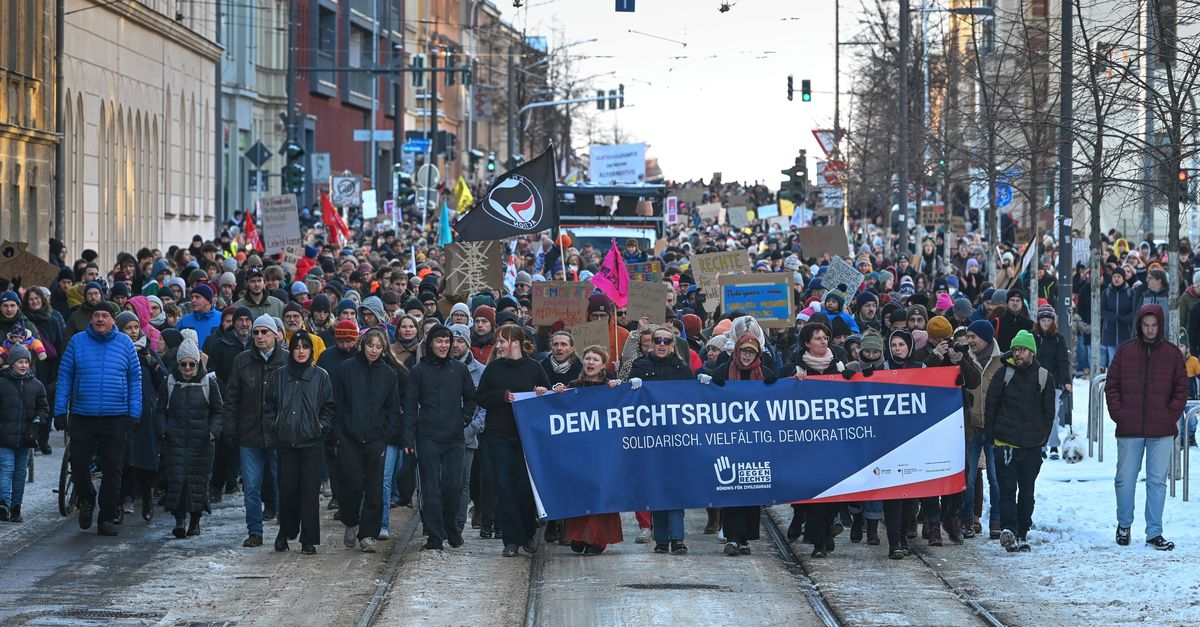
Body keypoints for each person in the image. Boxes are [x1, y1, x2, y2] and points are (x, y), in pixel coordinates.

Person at [55, 300, 141, 536]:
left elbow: (135, 379)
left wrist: (134, 412)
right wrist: (60, 410)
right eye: (96, 315)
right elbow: (65, 377)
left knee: (113, 469)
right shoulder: (77, 342)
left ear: (113, 319)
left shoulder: (125, 344)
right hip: (83, 415)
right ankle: (87, 498)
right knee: (79, 464)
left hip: (116, 416)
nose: (100, 319)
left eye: (105, 315)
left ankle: (106, 517)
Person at [1105, 304, 1187, 551]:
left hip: (1161, 429)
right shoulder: (1125, 351)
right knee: (1125, 479)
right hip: (1129, 427)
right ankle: (1124, 525)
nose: (1150, 329)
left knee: (1157, 481)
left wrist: (1170, 414)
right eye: (1146, 324)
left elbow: (1181, 388)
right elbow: (1112, 385)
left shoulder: (1172, 354)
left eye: (1154, 324)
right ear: (1139, 325)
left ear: (1160, 325)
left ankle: (1154, 531)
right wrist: (1119, 414)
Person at [475, 325, 547, 557]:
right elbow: (481, 397)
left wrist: (540, 392)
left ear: (515, 343)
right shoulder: (494, 369)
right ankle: (511, 539)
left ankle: (528, 533)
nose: (498, 346)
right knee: (504, 487)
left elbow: (547, 396)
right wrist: (502, 396)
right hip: (498, 437)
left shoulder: (534, 368)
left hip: (526, 439)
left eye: (502, 342)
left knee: (524, 487)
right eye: (497, 342)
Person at [404, 324, 477, 551]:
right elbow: (409, 407)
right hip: (427, 437)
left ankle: (451, 527)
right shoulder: (418, 371)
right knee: (430, 488)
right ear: (430, 344)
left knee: (453, 486)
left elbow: (471, 398)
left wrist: (464, 418)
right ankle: (435, 535)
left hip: (454, 437)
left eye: (447, 341)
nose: (444, 345)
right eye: (439, 341)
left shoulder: (459, 370)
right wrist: (408, 438)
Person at [984, 329, 1056, 552]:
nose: (1018, 353)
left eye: (1022, 349)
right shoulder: (1003, 374)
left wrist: (1040, 438)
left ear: (1031, 352)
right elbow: (991, 405)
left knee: (1027, 493)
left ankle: (1022, 531)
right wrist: (992, 435)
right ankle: (1009, 530)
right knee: (1006, 491)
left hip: (1031, 446)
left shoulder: (1044, 377)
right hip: (1005, 444)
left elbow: (1049, 413)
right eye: (1015, 349)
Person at [264, 330, 335, 555]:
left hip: (312, 442)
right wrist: (275, 424)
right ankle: (285, 532)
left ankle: (309, 539)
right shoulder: (280, 375)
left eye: (305, 347)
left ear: (311, 350)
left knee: (309, 491)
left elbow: (329, 407)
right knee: (287, 490)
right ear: (291, 350)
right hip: (286, 441)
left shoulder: (320, 376)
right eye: (297, 347)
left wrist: (320, 426)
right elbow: (269, 405)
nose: (301, 351)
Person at [333, 328, 403, 553]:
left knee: (375, 488)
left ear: (383, 350)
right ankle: (351, 521)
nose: (374, 350)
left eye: (378, 347)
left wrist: (386, 435)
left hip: (376, 438)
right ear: (362, 345)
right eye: (370, 345)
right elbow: (337, 404)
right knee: (350, 485)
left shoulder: (389, 374)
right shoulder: (346, 369)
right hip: (350, 437)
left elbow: (393, 408)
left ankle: (368, 534)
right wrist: (339, 434)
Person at [628, 325, 695, 556]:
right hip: (649, 439)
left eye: (667, 341)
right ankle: (661, 539)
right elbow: (627, 400)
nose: (662, 345)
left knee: (675, 487)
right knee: (656, 487)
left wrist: (704, 384)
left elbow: (694, 401)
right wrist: (630, 386)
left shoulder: (682, 369)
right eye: (658, 340)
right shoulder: (640, 366)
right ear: (652, 342)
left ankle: (677, 538)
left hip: (676, 438)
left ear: (673, 345)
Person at [709, 332, 778, 556]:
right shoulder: (722, 371)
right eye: (744, 351)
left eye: (751, 352)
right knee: (732, 488)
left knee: (751, 488)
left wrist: (775, 384)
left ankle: (746, 538)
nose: (747, 356)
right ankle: (732, 537)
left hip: (756, 442)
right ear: (736, 351)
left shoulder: (766, 374)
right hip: (730, 441)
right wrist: (709, 384)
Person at [552, 345, 624, 554]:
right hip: (579, 449)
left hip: (604, 450)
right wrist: (556, 393)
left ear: (603, 364)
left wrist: (618, 389)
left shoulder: (610, 386)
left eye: (596, 359)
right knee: (580, 490)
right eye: (588, 358)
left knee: (601, 491)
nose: (591, 362)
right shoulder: (573, 386)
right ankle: (578, 535)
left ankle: (597, 538)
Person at [785, 322, 847, 557]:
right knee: (813, 492)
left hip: (834, 440)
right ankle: (819, 541)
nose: (823, 341)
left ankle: (826, 530)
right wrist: (792, 381)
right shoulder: (796, 366)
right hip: (806, 442)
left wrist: (851, 378)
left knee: (832, 492)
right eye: (818, 338)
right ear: (807, 343)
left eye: (825, 338)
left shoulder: (838, 364)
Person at [225, 314, 286, 548]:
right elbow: (232, 397)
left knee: (282, 483)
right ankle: (255, 531)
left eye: (264, 332)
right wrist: (230, 428)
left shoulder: (286, 361)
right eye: (256, 332)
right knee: (251, 486)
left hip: (277, 434)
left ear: (274, 335)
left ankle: (284, 529)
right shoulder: (242, 361)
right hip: (249, 434)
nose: (259, 336)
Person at [157, 338, 223, 539]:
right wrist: (164, 430)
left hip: (201, 441)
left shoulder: (208, 383)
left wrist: (212, 431)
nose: (187, 368)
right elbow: (160, 410)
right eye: (183, 364)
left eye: (191, 364)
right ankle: (179, 520)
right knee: (176, 480)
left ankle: (195, 521)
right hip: (175, 440)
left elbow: (218, 411)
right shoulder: (168, 383)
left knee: (198, 482)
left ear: (198, 363)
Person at [115, 310, 167, 523]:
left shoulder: (148, 352)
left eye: (136, 327)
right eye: (129, 328)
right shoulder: (116, 351)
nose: (134, 332)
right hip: (121, 412)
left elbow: (163, 381)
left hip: (146, 412)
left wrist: (153, 365)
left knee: (146, 460)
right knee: (122, 460)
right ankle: (119, 501)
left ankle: (146, 497)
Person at [962, 320, 1004, 540]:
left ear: (986, 338)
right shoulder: (966, 357)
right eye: (968, 337)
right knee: (968, 477)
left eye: (973, 337)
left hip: (995, 428)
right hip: (972, 426)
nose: (969, 341)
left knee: (995, 478)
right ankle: (967, 519)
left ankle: (996, 521)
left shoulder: (1002, 360)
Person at [0, 345, 48, 522]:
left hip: (27, 437)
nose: (23, 365)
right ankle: (3, 503)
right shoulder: (2, 383)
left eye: (26, 362)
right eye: (20, 361)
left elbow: (43, 409)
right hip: (4, 437)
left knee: (20, 472)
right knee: (6, 469)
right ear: (11, 363)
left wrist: (35, 425)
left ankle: (16, 506)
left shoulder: (36, 386)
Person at [1032, 306, 1072, 460]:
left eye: (1049, 320)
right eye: (1043, 320)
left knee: (1052, 415)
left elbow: (1063, 361)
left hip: (1053, 382)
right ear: (1039, 321)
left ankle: (1054, 445)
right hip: (1035, 381)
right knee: (1038, 414)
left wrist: (1066, 381)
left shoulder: (1058, 339)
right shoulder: (1033, 337)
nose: (1046, 323)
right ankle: (1041, 445)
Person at [1101, 270, 1136, 366]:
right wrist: (1113, 317)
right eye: (1114, 276)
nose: (1116, 279)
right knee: (1113, 360)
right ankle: (1114, 380)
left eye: (1119, 277)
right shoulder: (1106, 292)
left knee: (1126, 360)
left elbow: (1134, 311)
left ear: (1123, 279)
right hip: (1110, 331)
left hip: (1126, 332)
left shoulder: (1130, 293)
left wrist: (1125, 318)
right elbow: (1102, 310)